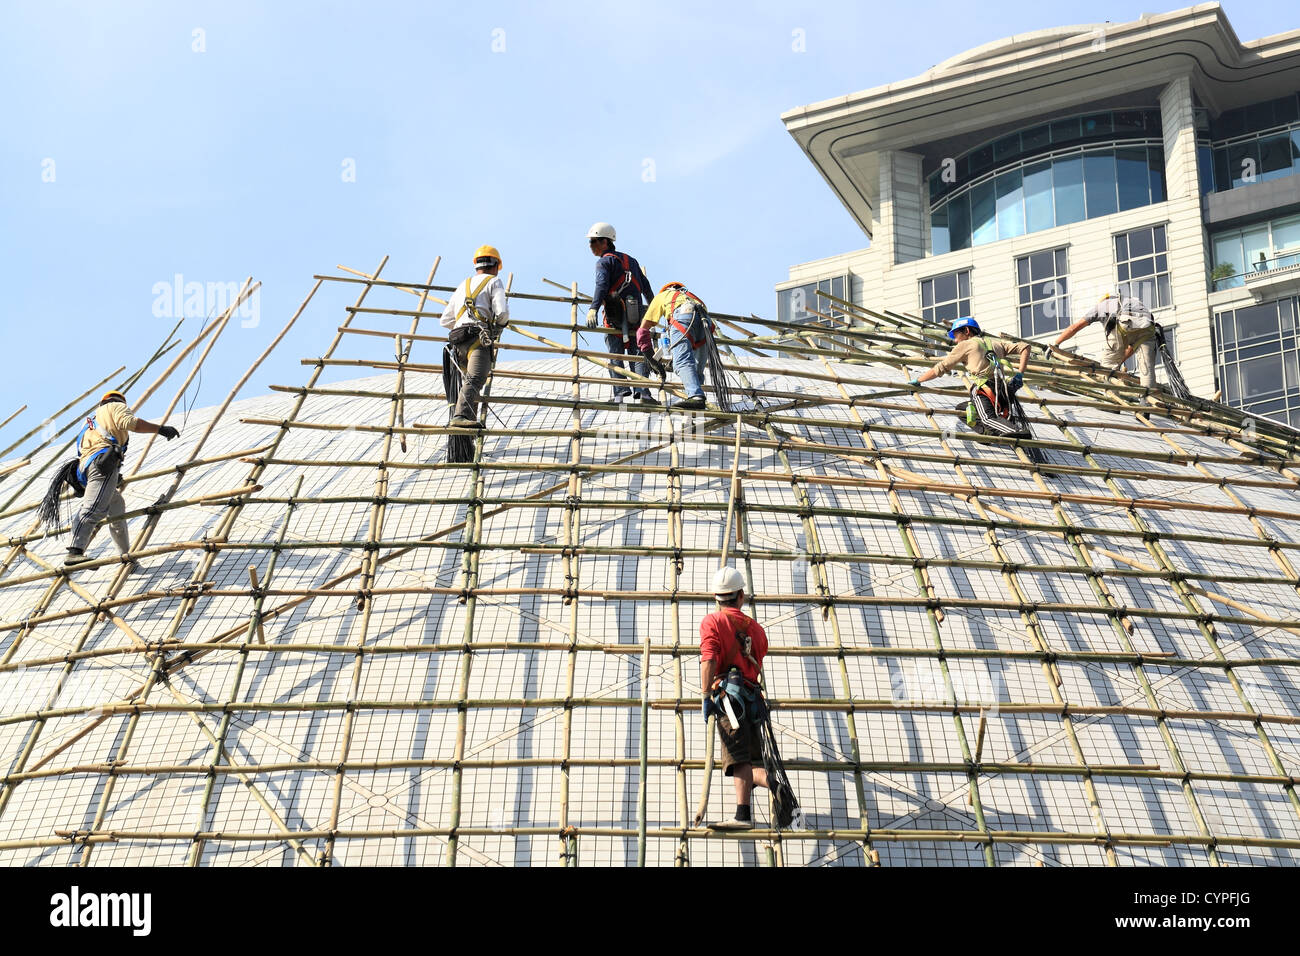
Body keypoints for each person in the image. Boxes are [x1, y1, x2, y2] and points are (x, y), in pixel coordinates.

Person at [62, 391, 178, 565]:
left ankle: (124, 556)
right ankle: (74, 551)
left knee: (116, 504)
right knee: (94, 507)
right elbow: (131, 423)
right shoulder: (116, 406)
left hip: (87, 467)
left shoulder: (91, 421)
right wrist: (160, 429)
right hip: (101, 465)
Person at [700, 565, 770, 831]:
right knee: (751, 761)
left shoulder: (713, 622)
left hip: (731, 702)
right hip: (753, 701)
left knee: (738, 758)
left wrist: (706, 695)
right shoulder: (757, 630)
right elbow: (757, 663)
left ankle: (743, 815)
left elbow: (709, 659)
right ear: (741, 596)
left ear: (716, 597)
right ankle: (773, 783)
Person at [909, 316, 1031, 437]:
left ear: (967, 331)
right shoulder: (996, 343)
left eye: (956, 335)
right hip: (1003, 391)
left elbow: (941, 368)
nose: (956, 341)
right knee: (962, 410)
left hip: (984, 389)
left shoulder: (965, 345)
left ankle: (1015, 431)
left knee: (987, 419)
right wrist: (1019, 374)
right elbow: (1025, 347)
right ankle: (988, 433)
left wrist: (919, 380)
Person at [584, 222, 657, 405]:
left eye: (593, 241)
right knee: (638, 352)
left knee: (615, 352)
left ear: (605, 242)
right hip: (637, 315)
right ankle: (644, 393)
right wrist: (654, 309)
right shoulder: (631, 261)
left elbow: (601, 286)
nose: (590, 245)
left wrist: (593, 308)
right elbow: (646, 288)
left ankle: (620, 393)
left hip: (614, 316)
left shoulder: (604, 262)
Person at [440, 245, 510, 428]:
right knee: (476, 378)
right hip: (477, 340)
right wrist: (498, 327)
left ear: (477, 265)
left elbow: (445, 320)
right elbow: (502, 313)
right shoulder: (495, 282)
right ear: (496, 265)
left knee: (468, 383)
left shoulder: (464, 285)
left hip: (458, 340)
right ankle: (461, 415)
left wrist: (462, 322)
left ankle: (468, 421)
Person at [1053, 292, 1157, 388]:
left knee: (1107, 367)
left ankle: (1112, 402)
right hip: (1148, 328)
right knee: (1147, 368)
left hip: (1123, 325)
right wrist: (1119, 361)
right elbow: (1131, 348)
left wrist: (1056, 343)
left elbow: (1074, 327)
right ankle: (1148, 401)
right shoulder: (1133, 301)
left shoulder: (1101, 306)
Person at [639, 281, 714, 410]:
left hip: (683, 317)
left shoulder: (662, 296)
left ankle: (695, 397)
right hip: (706, 323)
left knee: (682, 362)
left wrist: (650, 357)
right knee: (696, 368)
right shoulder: (692, 296)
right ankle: (694, 396)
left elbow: (643, 329)